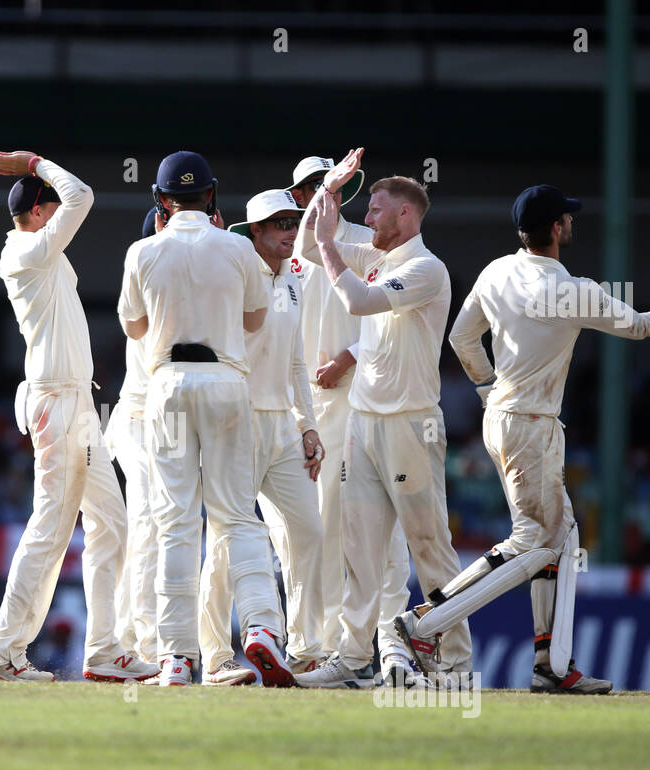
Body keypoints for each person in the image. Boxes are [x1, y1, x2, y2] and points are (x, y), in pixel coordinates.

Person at [395, 184, 650, 693]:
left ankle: (551, 664)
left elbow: (462, 339)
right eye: (567, 219)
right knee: (534, 540)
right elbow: (640, 327)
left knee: (563, 536)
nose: (572, 224)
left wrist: (489, 388)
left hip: (504, 419)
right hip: (531, 426)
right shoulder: (573, 290)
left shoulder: (495, 271)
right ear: (555, 228)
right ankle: (424, 625)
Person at [0, 150, 153, 684]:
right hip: (57, 402)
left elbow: (72, 200)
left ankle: (103, 650)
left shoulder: (40, 252)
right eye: (52, 209)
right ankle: (4, 648)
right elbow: (82, 195)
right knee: (51, 527)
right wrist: (34, 163)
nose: (62, 216)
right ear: (39, 211)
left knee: (111, 522)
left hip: (75, 405)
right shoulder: (28, 252)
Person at [297, 164, 472, 689]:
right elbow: (307, 245)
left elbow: (358, 299)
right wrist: (328, 189)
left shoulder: (425, 269)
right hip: (365, 423)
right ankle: (354, 659)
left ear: (405, 213)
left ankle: (454, 665)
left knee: (429, 545)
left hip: (411, 425)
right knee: (359, 547)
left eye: (374, 208)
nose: (365, 216)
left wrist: (331, 243)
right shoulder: (377, 257)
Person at [118, 150, 289, 687]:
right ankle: (261, 628)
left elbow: (134, 328)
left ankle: (176, 657)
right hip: (226, 382)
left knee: (175, 523)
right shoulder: (238, 248)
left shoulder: (142, 251)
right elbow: (258, 318)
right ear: (211, 197)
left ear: (161, 201)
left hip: (167, 382)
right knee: (237, 517)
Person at [195, 189, 326, 685]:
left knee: (309, 531)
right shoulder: (234, 275)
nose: (290, 232)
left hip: (282, 426)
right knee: (228, 539)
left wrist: (308, 423)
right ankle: (214, 657)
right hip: (237, 421)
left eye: (294, 222)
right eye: (278, 225)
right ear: (254, 232)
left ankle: (302, 647)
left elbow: (296, 360)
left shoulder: (295, 278)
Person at [290, 152, 413, 673]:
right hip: (312, 405)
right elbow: (303, 253)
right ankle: (322, 647)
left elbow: (390, 314)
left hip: (366, 395)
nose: (330, 193)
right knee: (322, 528)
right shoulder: (295, 251)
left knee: (379, 529)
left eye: (337, 185)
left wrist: (350, 356)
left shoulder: (368, 243)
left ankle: (388, 646)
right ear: (300, 196)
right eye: (316, 187)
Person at [105, 209, 163, 670]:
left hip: (164, 425)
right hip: (139, 420)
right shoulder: (153, 277)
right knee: (148, 525)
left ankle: (138, 640)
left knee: (160, 529)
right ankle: (140, 646)